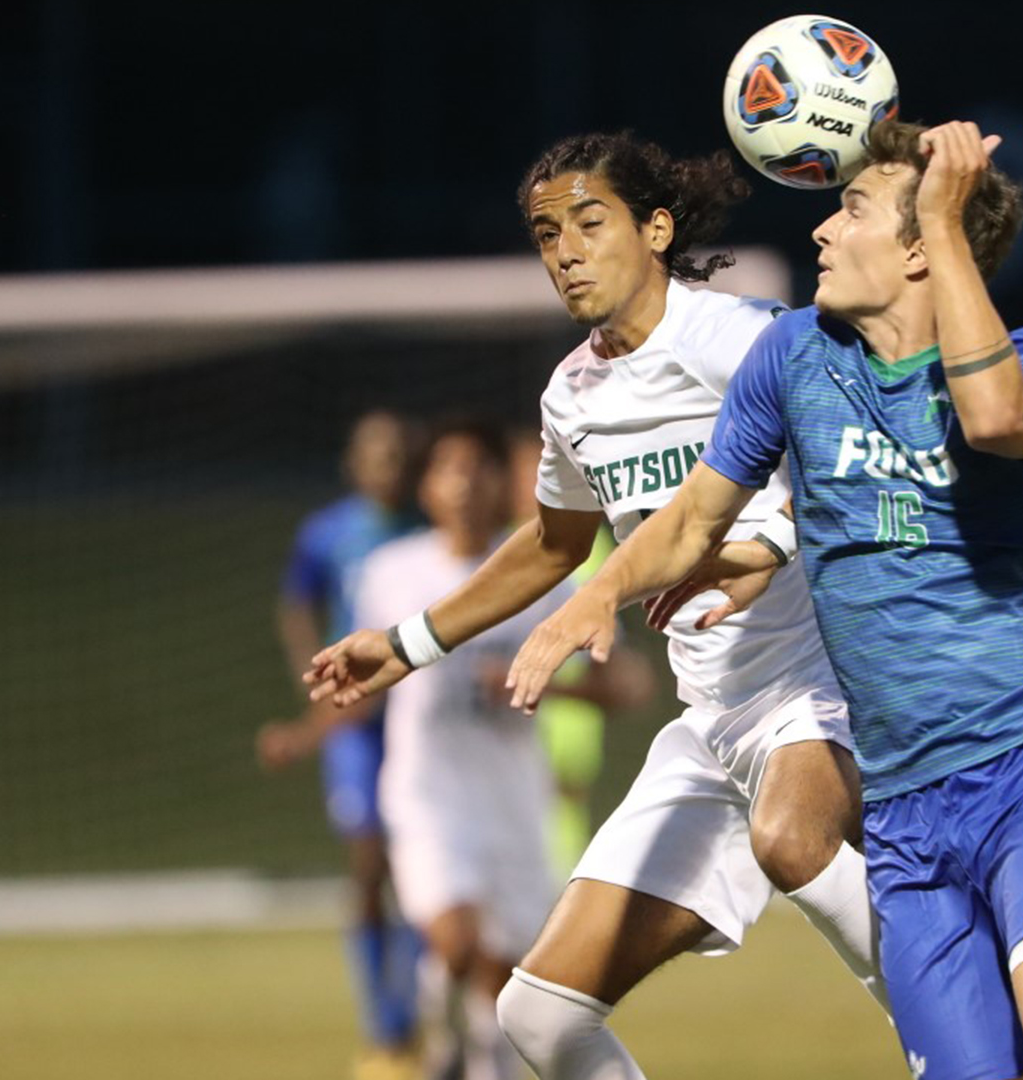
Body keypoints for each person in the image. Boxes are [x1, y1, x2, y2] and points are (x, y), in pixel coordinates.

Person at [504, 120, 1023, 1080]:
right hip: (903, 801)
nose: (818, 231)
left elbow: (993, 418)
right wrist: (594, 594)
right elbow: (692, 521)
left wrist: (943, 217)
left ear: (917, 245)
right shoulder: (796, 362)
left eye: (849, 209)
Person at [304, 132, 887, 1080]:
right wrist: (408, 643)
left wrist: (763, 549)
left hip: (829, 682)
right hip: (716, 725)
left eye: (589, 222)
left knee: (793, 839)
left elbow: (860, 467)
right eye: (545, 232)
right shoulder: (572, 394)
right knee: (536, 1016)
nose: (565, 250)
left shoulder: (740, 338)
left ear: (656, 229)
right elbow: (554, 541)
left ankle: (973, 1041)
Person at [353, 418, 633, 1080]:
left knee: (505, 981)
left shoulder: (535, 575)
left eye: (477, 469)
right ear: (426, 487)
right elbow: (370, 675)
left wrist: (540, 685)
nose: (464, 485)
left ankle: (466, 1060)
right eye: (447, 469)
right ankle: (444, 1043)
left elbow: (621, 684)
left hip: (512, 800)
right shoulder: (392, 572)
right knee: (454, 939)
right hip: (427, 796)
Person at [258, 410, 426, 1080]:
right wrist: (317, 691)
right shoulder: (328, 533)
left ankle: (408, 1022)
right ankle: (382, 1022)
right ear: (353, 464)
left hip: (413, 715)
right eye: (375, 454)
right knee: (366, 866)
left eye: (398, 453)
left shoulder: (428, 530)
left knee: (417, 871)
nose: (387, 465)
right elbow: (295, 602)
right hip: (353, 724)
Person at [504, 429, 619, 877]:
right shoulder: (508, 542)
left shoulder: (586, 542)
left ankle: (560, 892)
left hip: (568, 702)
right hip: (511, 701)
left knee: (560, 802)